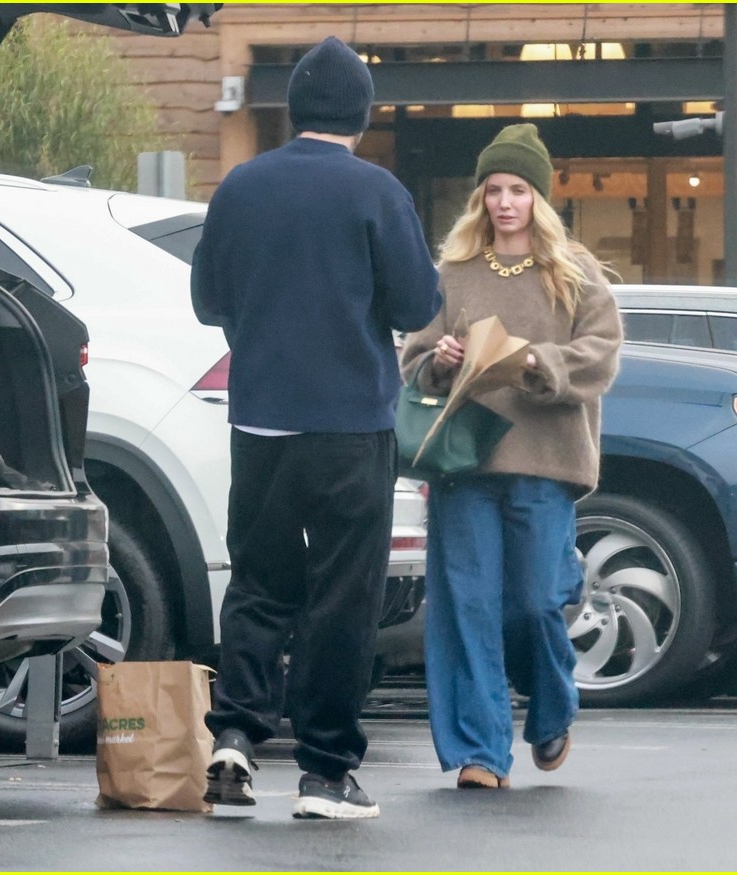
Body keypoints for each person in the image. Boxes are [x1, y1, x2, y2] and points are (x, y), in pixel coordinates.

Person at [190, 35, 442, 820]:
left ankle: (233, 733)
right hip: (349, 425)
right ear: (361, 117)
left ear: (292, 108)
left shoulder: (242, 186)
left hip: (261, 419)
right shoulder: (378, 193)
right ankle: (326, 771)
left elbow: (207, 300)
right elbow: (415, 305)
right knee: (342, 594)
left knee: (260, 581)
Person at [400, 123, 622, 790]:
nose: (503, 202)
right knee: (466, 605)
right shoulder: (455, 271)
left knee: (532, 602)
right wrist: (437, 361)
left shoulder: (574, 273)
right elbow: (412, 358)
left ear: (538, 199)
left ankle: (552, 709)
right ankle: (479, 752)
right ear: (480, 199)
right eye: (493, 189)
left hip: (544, 461)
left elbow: (601, 355)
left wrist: (536, 362)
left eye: (517, 190)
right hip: (465, 464)